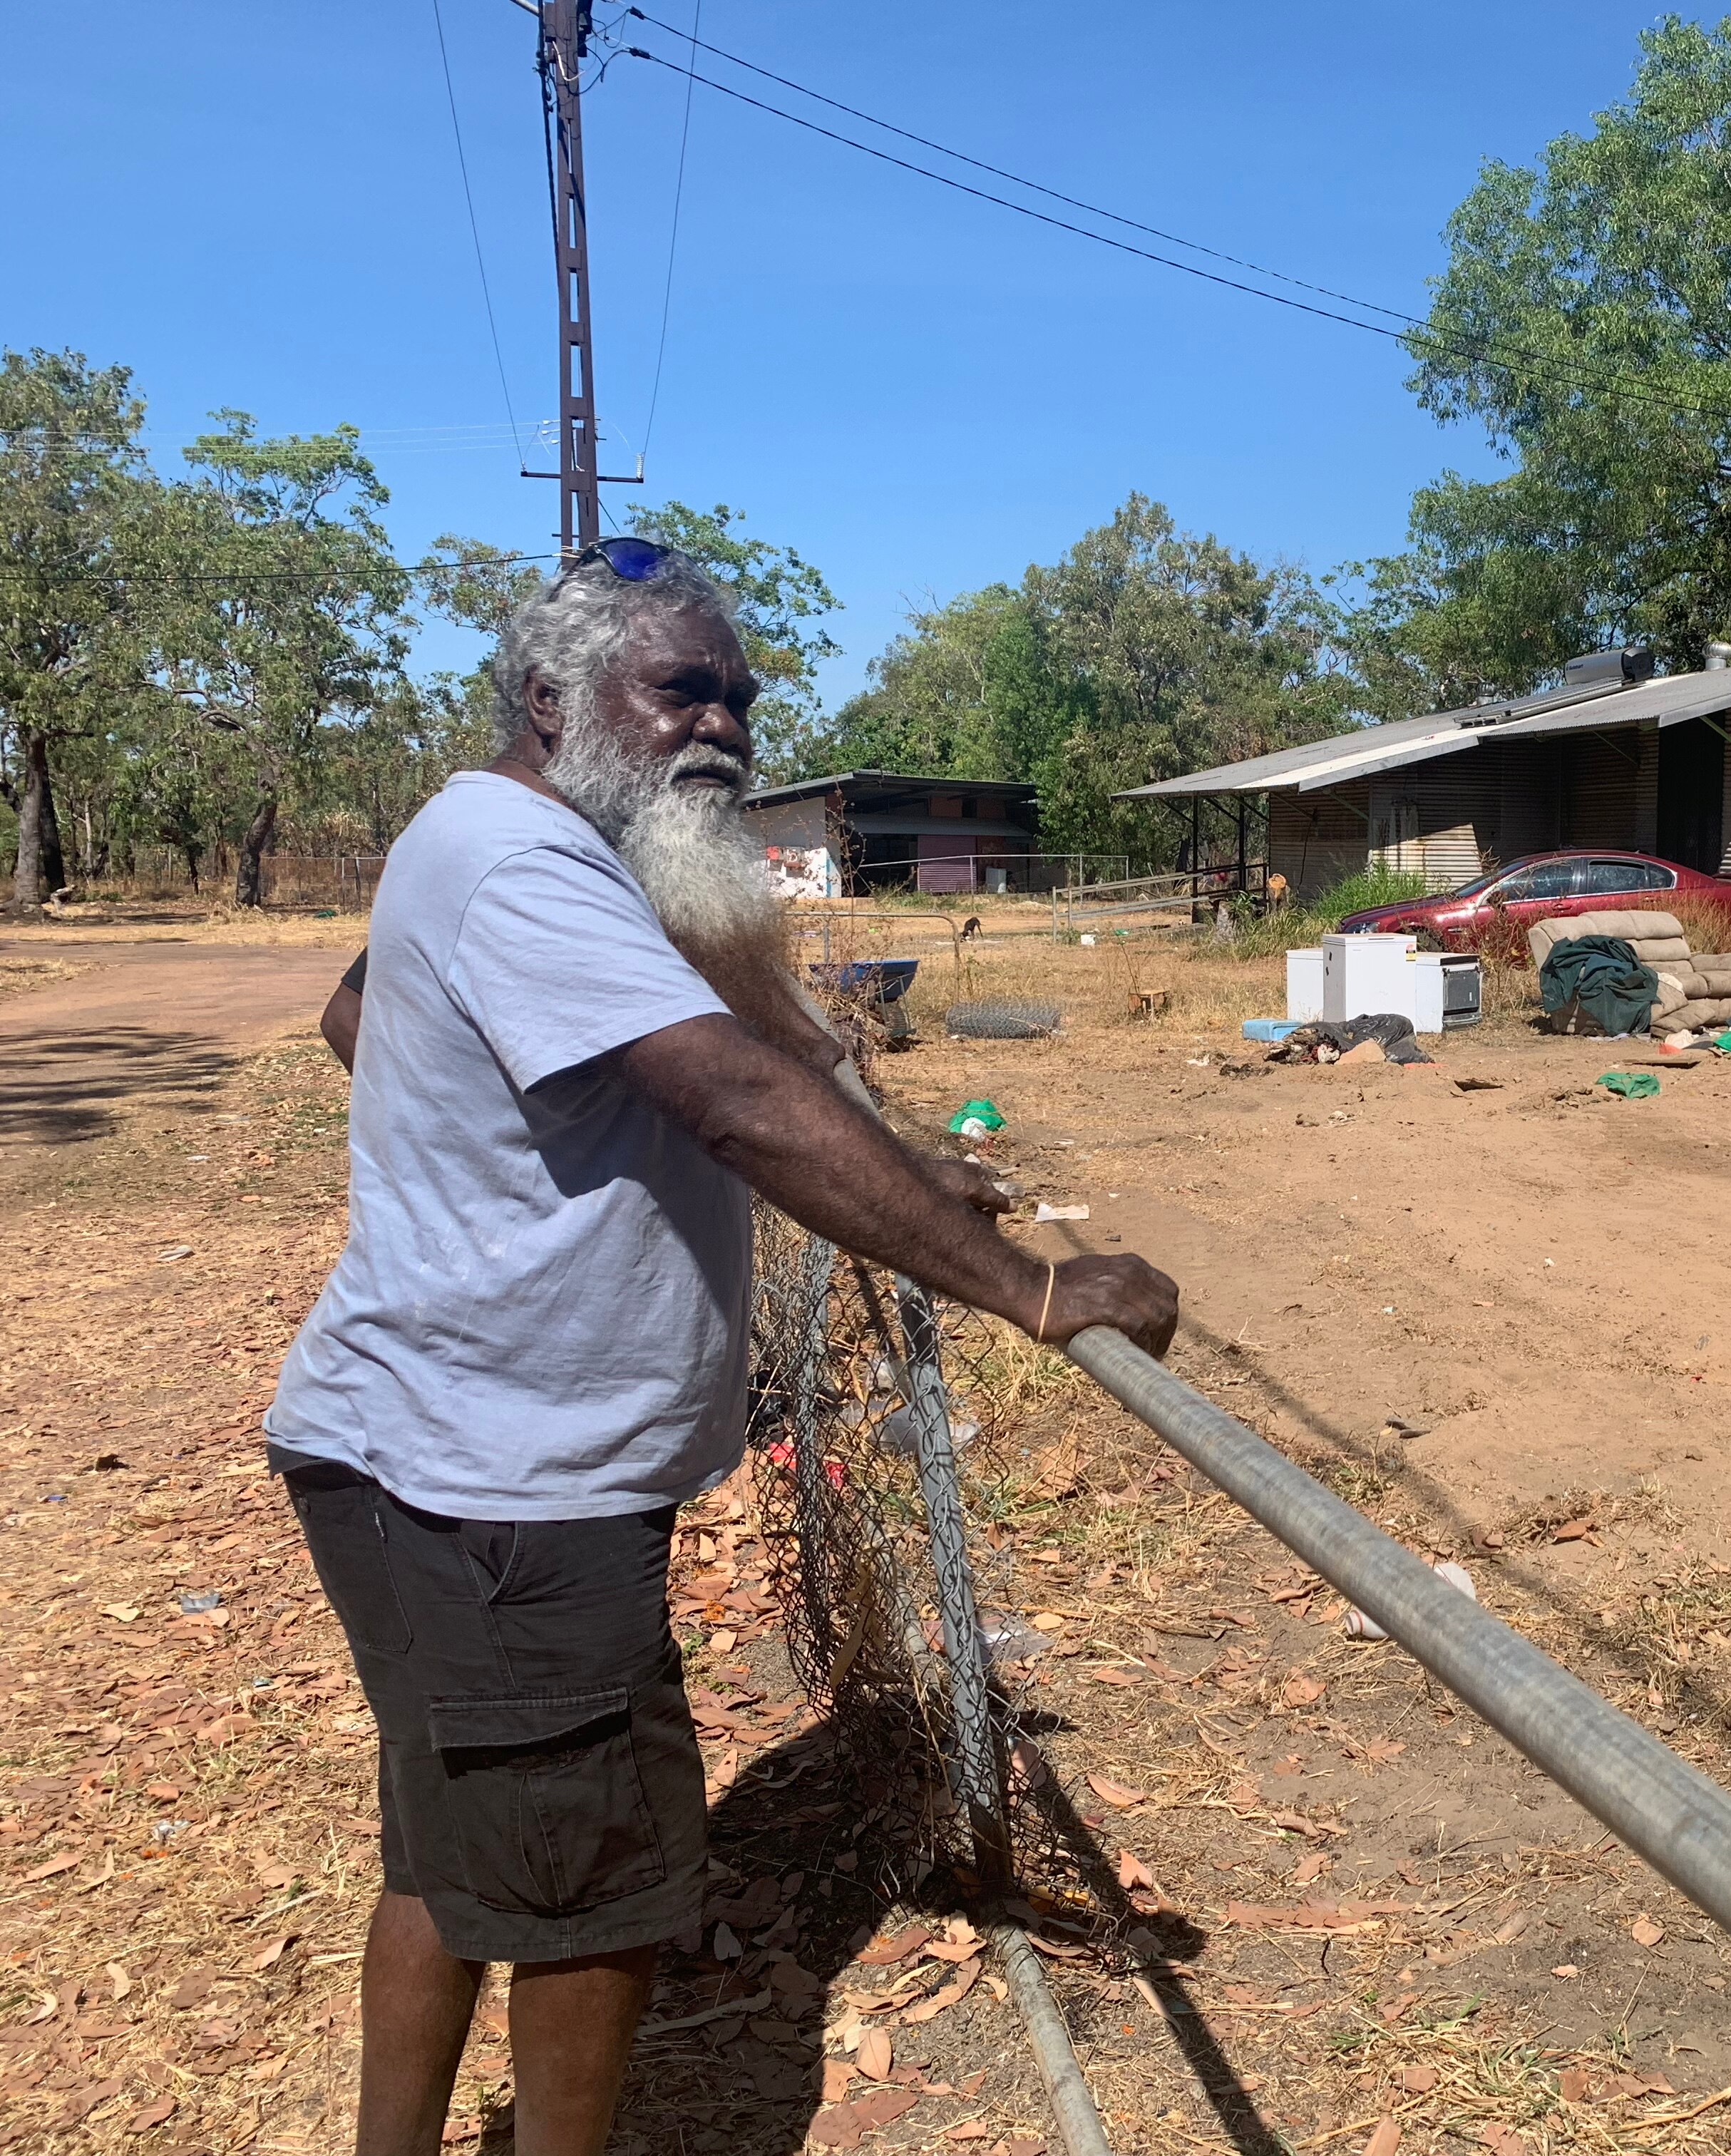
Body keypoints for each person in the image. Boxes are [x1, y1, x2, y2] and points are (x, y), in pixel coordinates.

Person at [267, 537, 1178, 2156]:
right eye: (682, 686)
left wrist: (493, 1152)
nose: (727, 727)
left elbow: (362, 1012)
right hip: (503, 1495)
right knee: (593, 1904)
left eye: (742, 695)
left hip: (415, 1450)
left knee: (452, 1859)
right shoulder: (531, 866)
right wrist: (1025, 1288)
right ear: (551, 701)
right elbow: (739, 1096)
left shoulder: (494, 839)